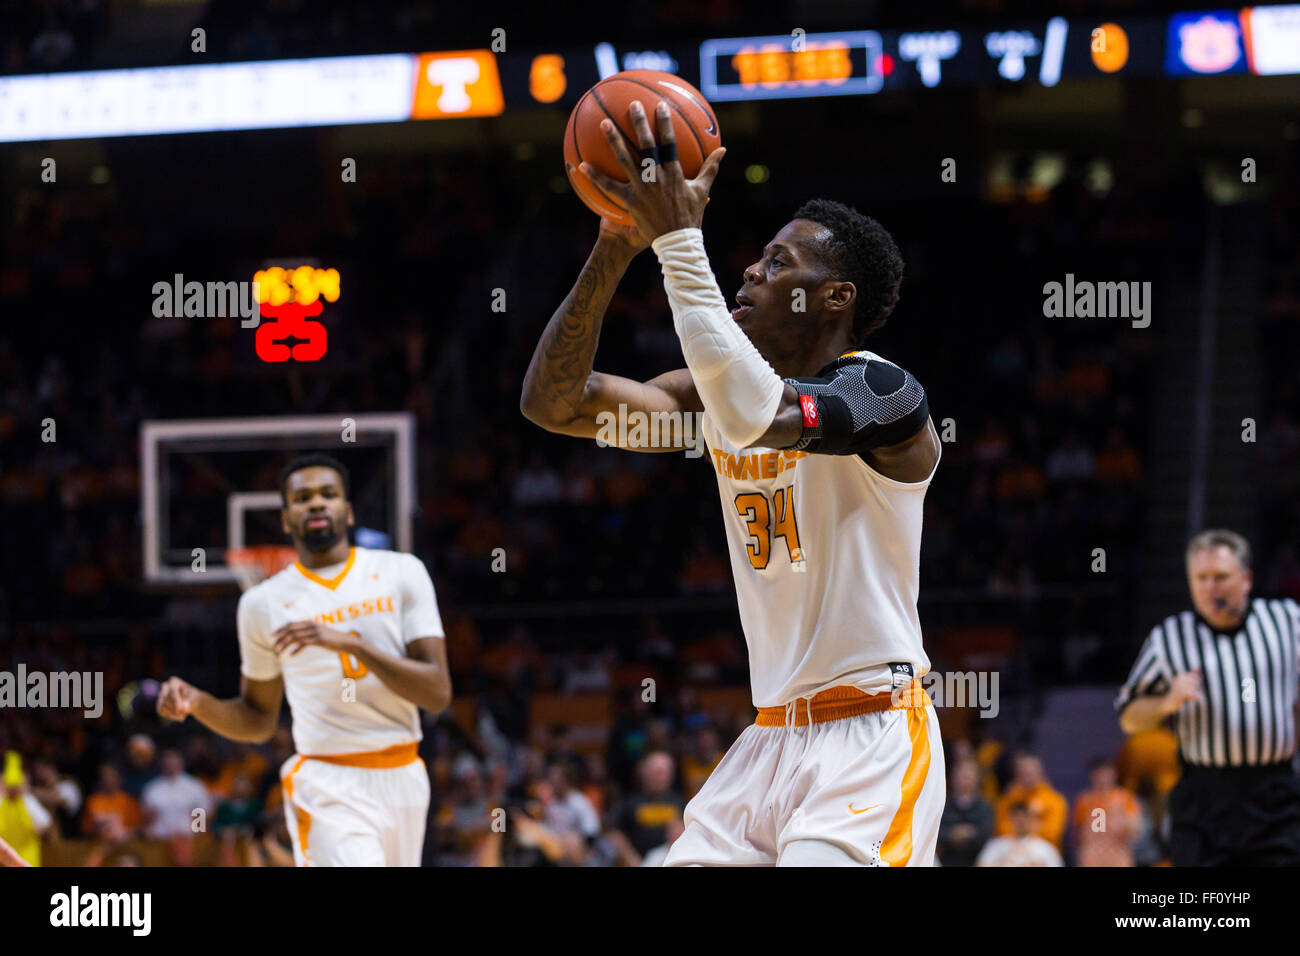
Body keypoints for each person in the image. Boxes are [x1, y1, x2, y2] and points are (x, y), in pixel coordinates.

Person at [522, 97, 943, 867]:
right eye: (759, 256)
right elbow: (553, 404)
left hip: (872, 733)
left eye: (781, 263)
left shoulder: (885, 394)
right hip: (768, 736)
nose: (752, 267)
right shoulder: (705, 402)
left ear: (835, 298)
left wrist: (680, 241)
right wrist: (616, 245)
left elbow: (763, 416)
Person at [158, 454, 452, 866]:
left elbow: (437, 694)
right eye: (302, 498)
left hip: (404, 773)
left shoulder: (402, 572)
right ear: (285, 519)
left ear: (347, 512)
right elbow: (257, 719)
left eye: (328, 495)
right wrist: (198, 702)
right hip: (328, 780)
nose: (316, 504)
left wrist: (353, 646)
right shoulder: (262, 603)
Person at [1116, 529, 1300, 866]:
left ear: (1245, 579)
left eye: (1220, 577)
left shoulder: (1287, 621)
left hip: (1275, 792)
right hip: (1204, 797)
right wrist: (1166, 701)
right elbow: (1129, 717)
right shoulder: (1170, 637)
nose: (1210, 588)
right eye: (1200, 578)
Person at [1071, 757, 1139, 867]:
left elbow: (1134, 830)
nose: (1102, 778)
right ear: (1092, 776)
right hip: (1092, 855)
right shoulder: (1084, 800)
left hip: (1118, 853)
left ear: (1114, 774)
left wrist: (1121, 822)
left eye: (1106, 773)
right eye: (1099, 774)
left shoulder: (1125, 798)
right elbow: (1078, 835)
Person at [993, 752, 1068, 851]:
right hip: (1011, 850)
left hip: (1044, 853)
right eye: (1023, 774)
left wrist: (1021, 829)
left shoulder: (1055, 800)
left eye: (1031, 773)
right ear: (1017, 776)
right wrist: (1035, 826)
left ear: (1040, 774)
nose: (1027, 777)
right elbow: (1001, 829)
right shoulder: (1009, 798)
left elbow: (1052, 833)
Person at [938, 759, 993, 866]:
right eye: (961, 776)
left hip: (976, 860)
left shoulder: (985, 807)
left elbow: (986, 835)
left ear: (977, 779)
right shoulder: (943, 804)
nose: (965, 781)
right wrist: (953, 835)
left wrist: (965, 836)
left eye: (968, 777)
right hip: (945, 860)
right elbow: (936, 832)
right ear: (953, 778)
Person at [976, 802, 1063, 867]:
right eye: (1016, 817)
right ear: (1010, 819)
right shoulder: (996, 845)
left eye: (1024, 817)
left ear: (1032, 820)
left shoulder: (1046, 848)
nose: (1020, 821)